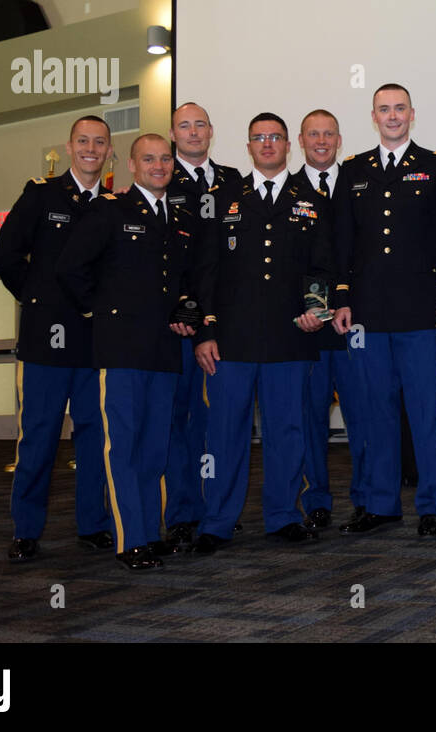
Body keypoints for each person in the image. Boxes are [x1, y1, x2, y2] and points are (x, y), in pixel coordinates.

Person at [189, 112, 331, 556]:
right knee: (225, 433)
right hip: (231, 340)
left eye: (275, 137)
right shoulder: (224, 197)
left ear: (289, 145)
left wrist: (317, 310)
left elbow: (321, 266)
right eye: (258, 138)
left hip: (290, 338)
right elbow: (205, 271)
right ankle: (218, 521)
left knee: (286, 432)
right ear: (248, 146)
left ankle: (283, 515)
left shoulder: (311, 198)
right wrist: (204, 331)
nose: (267, 144)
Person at [55, 133, 198, 571]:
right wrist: (102, 312)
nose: (159, 166)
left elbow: (180, 281)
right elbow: (69, 268)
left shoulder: (178, 218)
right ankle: (130, 538)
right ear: (132, 165)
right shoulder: (110, 210)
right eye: (149, 159)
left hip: (165, 347)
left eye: (165, 159)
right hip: (121, 349)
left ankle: (149, 534)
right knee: (125, 445)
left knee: (156, 446)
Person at [331, 84, 436, 535]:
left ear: (412, 114)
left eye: (400, 108)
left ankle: (432, 507)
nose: (393, 115)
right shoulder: (353, 170)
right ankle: (381, 504)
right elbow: (342, 242)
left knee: (425, 413)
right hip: (367, 313)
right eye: (384, 109)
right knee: (374, 410)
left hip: (422, 311)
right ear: (374, 116)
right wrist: (341, 298)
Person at [0, 116, 115, 562]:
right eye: (83, 141)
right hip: (46, 340)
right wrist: (36, 296)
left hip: (94, 341)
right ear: (69, 147)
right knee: (39, 438)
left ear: (108, 151)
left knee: (94, 437)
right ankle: (26, 530)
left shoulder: (114, 205)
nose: (90, 149)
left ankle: (93, 525)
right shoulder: (41, 196)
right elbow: (6, 255)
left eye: (99, 143)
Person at [161, 102, 241, 550]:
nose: (193, 132)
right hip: (178, 324)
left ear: (212, 131)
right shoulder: (161, 179)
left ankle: (219, 511)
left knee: (220, 421)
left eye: (200, 125)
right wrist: (183, 311)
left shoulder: (234, 181)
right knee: (180, 419)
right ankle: (182, 513)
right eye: (184, 126)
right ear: (173, 133)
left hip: (226, 323)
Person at [292, 109, 370, 532]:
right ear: (300, 141)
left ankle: (366, 499)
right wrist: (304, 310)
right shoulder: (286, 191)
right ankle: (316, 500)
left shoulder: (360, 184)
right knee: (310, 417)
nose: (321, 141)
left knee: (362, 414)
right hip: (310, 327)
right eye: (313, 134)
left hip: (356, 321)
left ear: (339, 140)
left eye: (328, 134)